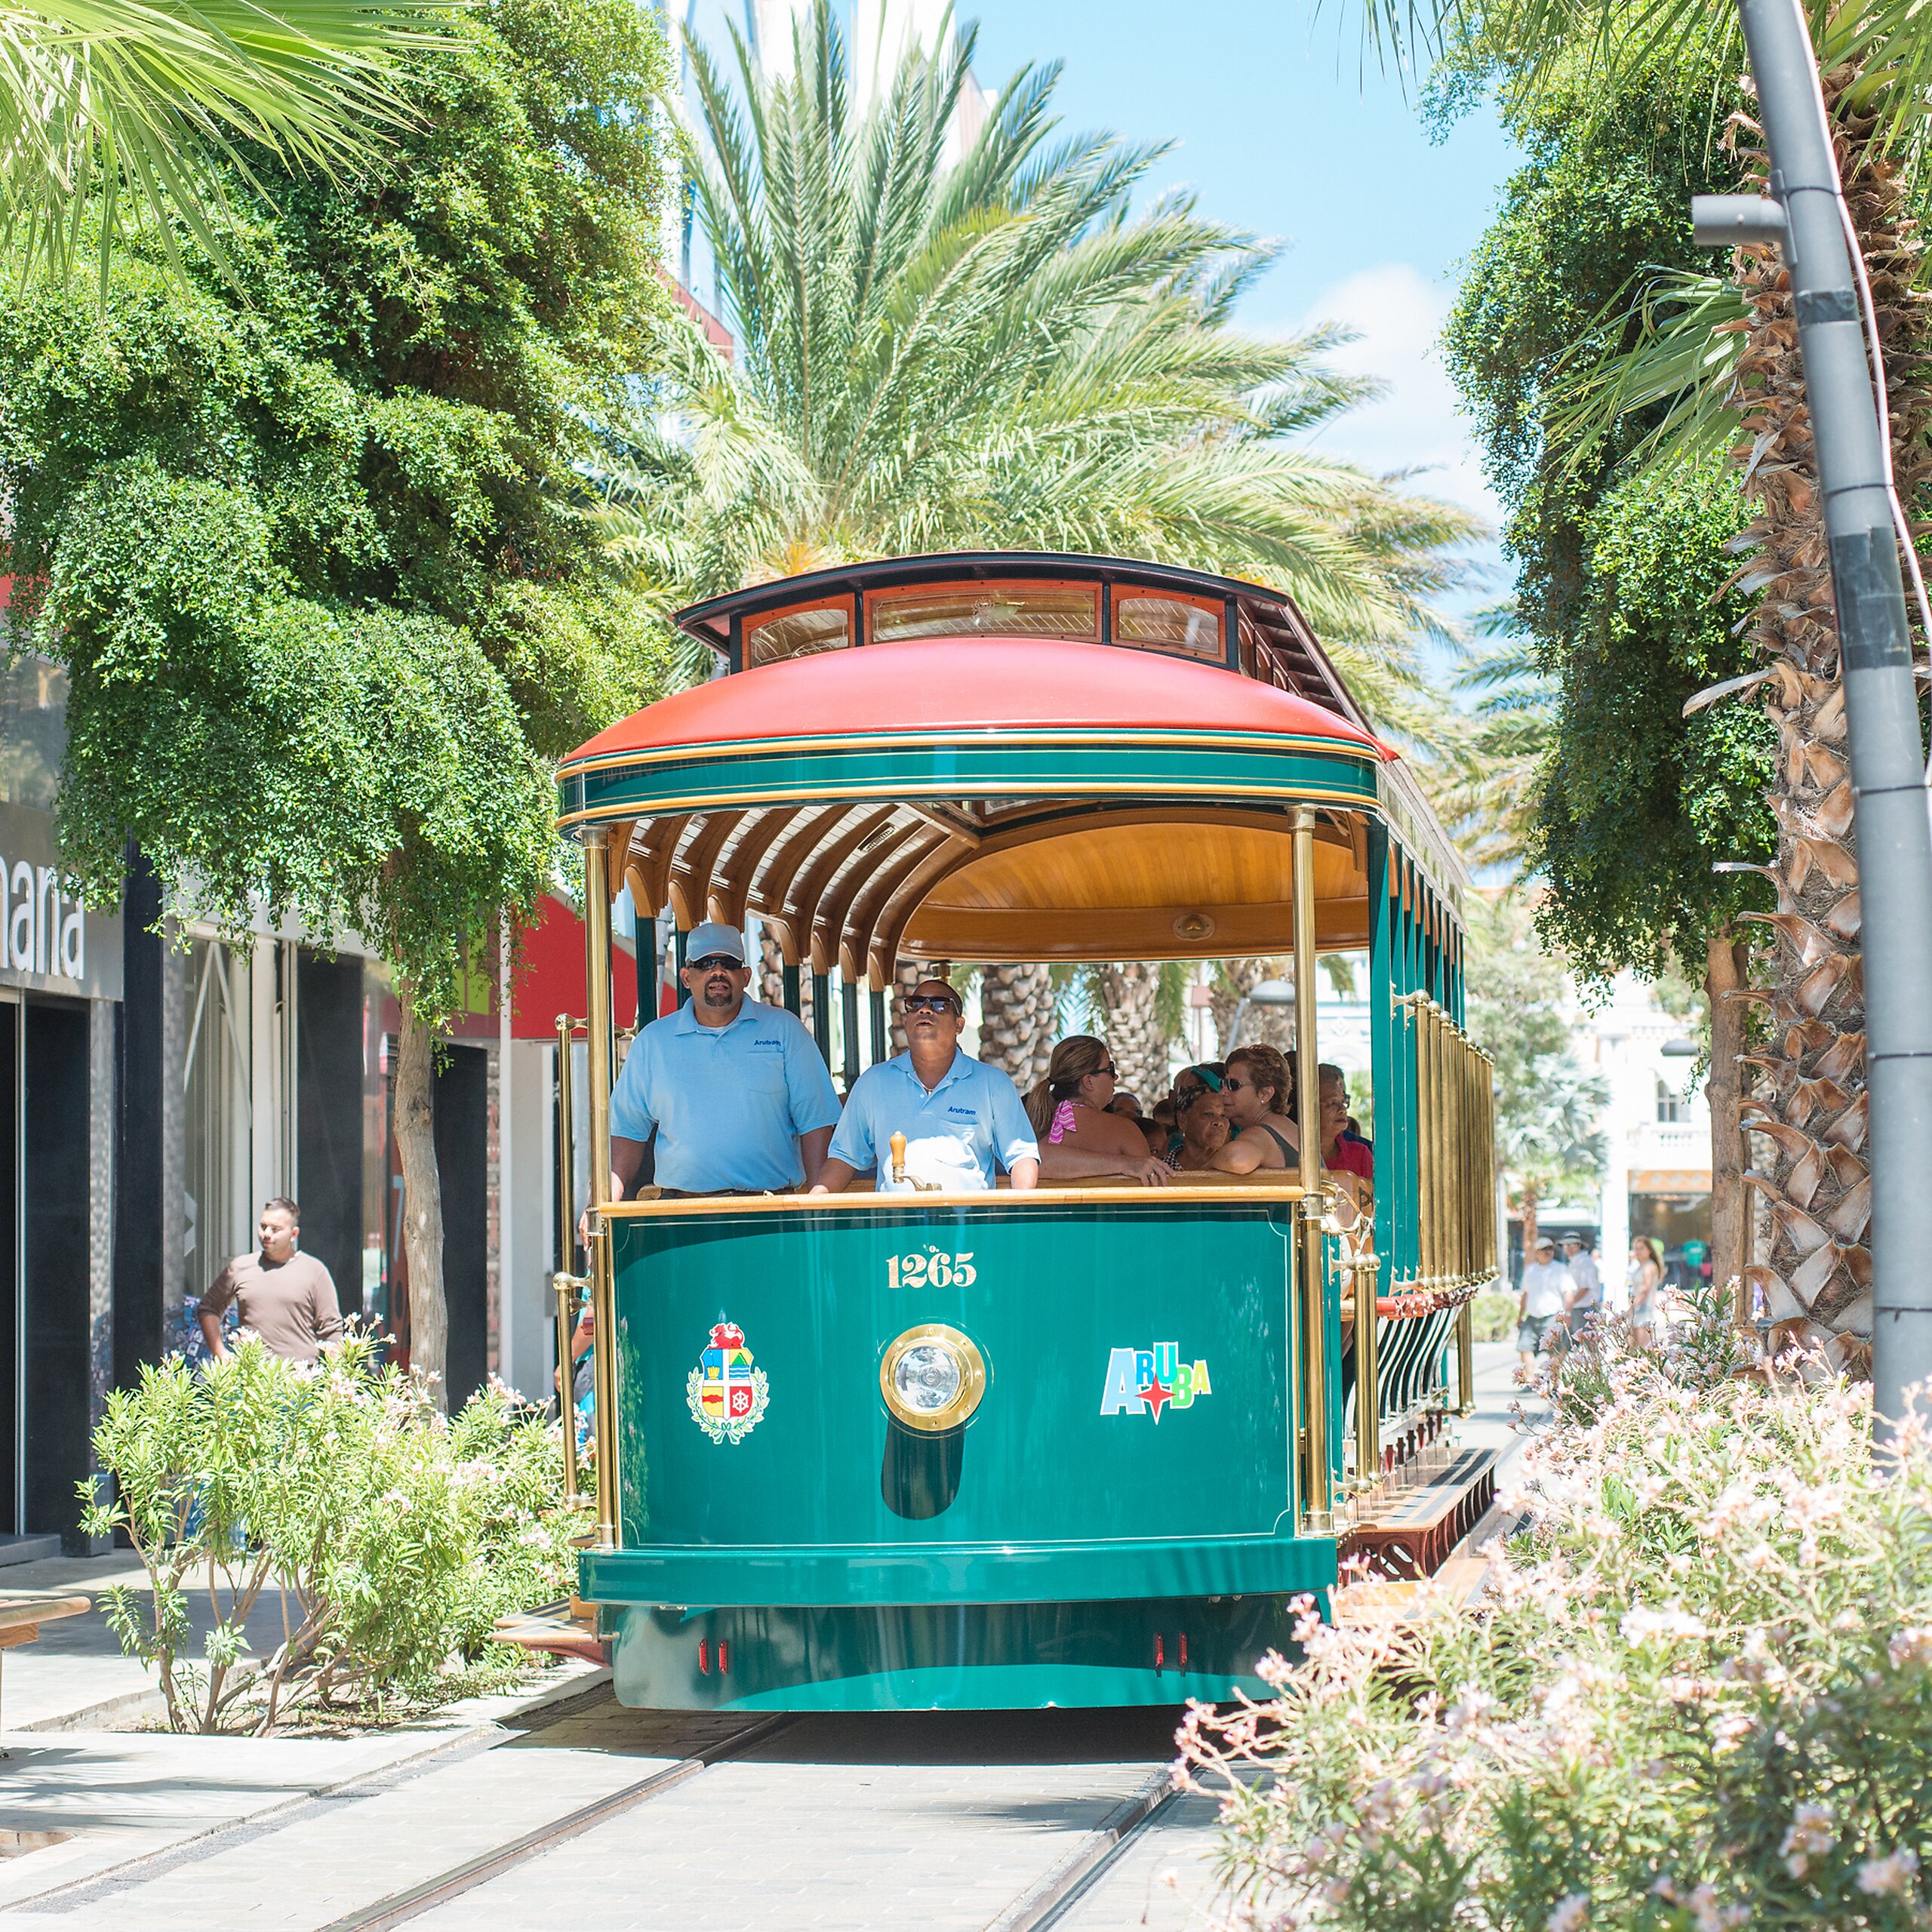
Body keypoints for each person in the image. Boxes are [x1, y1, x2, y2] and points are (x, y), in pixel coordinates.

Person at [606, 921, 840, 1201]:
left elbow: (816, 1122)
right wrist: (605, 1200)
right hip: (680, 1213)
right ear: (685, 977)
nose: (717, 972)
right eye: (705, 963)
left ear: (746, 976)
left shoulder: (785, 1031)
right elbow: (627, 1129)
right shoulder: (652, 1042)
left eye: (728, 963)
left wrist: (821, 1208)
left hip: (768, 1210)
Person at [814, 978, 1040, 1194]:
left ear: (959, 1025)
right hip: (895, 1230)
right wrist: (813, 1203)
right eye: (915, 1004)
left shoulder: (993, 1084)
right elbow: (843, 1158)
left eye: (940, 1005)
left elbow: (1022, 1157)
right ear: (906, 1021)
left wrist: (1020, 1209)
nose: (925, 1010)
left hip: (968, 1230)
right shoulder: (872, 1083)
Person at [198, 1198, 343, 1364]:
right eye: (263, 1227)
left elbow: (331, 1331)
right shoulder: (240, 1267)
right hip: (253, 1380)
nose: (266, 1234)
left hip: (300, 1380)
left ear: (293, 1234)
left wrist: (335, 1378)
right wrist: (220, 1352)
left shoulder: (314, 1271)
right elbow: (208, 1308)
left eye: (275, 1229)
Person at [1023, 1035, 1170, 1186]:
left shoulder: (1032, 1124)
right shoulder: (1125, 1130)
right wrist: (1125, 1164)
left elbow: (1033, 1160)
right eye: (1110, 1069)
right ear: (1089, 1082)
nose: (1116, 1077)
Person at [1208, 1044, 1300, 1174]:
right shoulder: (1286, 1127)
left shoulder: (1261, 1134)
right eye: (1223, 1084)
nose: (1222, 1092)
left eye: (1233, 1085)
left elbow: (1236, 1160)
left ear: (1265, 1094)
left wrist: (1207, 1162)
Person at [1515, 1234, 1574, 1380]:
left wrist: (1568, 1314)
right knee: (1525, 1347)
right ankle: (1531, 1380)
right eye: (1543, 1249)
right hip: (1533, 1315)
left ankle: (1553, 1382)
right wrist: (1520, 1315)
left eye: (1550, 1249)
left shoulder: (1560, 1269)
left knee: (1553, 1351)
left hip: (1552, 1316)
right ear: (1537, 1252)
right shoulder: (1530, 1270)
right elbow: (1525, 1294)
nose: (1547, 1252)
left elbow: (1568, 1293)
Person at [1318, 1064, 1373, 1182]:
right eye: (1332, 1103)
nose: (1342, 1110)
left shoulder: (1360, 1154)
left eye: (1343, 1102)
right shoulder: (1291, 1154)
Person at [1168, 1081, 1232, 1171]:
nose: (1219, 1122)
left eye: (1223, 1115)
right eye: (1208, 1114)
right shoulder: (1162, 1170)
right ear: (1182, 1119)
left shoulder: (1234, 1168)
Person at [1562, 1232, 1603, 1334]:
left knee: (1588, 1343)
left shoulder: (1585, 1262)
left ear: (1579, 1245)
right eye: (1566, 1245)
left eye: (1572, 1245)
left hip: (1585, 1308)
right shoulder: (1573, 1262)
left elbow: (1585, 1288)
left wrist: (1570, 1306)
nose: (1568, 1248)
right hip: (1577, 1308)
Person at [1629, 1235, 1665, 1349]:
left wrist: (1633, 1307)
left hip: (1643, 1309)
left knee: (1646, 1348)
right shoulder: (1640, 1266)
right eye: (1636, 1249)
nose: (1638, 1252)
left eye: (1641, 1248)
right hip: (1638, 1308)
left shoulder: (1649, 1266)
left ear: (1649, 1250)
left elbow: (1645, 1289)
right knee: (1633, 1346)